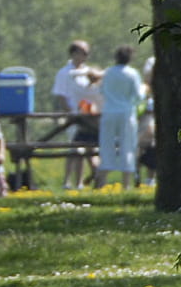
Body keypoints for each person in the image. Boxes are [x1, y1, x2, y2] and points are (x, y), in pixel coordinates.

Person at [97, 45, 148, 189]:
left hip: (109, 111)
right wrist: (144, 90)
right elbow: (138, 96)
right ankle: (126, 184)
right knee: (128, 145)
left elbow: (101, 90)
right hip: (126, 112)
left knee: (106, 145)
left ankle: (102, 183)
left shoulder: (107, 73)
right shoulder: (132, 74)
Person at [50, 40, 94, 190]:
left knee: (86, 148)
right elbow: (61, 95)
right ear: (74, 53)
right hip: (73, 116)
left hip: (87, 115)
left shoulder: (87, 72)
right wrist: (70, 113)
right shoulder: (64, 73)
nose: (86, 56)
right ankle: (67, 182)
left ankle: (80, 182)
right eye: (83, 52)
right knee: (74, 148)